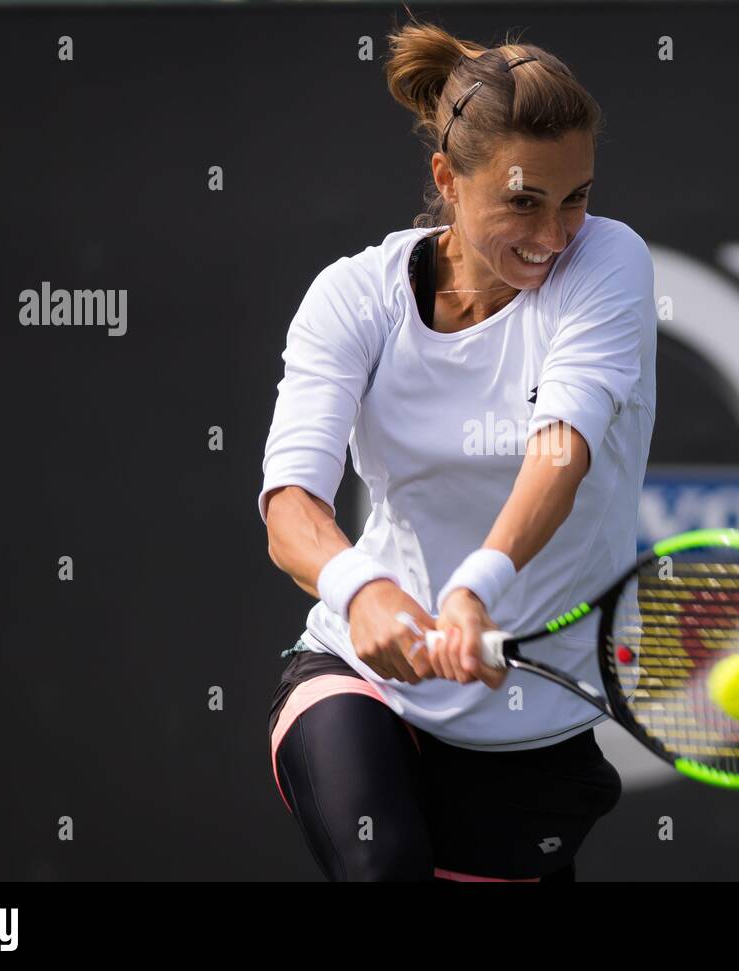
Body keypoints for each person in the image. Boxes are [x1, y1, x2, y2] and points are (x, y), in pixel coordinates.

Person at [259, 19, 657, 881]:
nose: (555, 235)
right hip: (361, 674)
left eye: (576, 197)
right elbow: (290, 506)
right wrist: (360, 592)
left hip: (534, 722)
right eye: (523, 200)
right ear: (447, 178)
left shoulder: (609, 262)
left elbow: (562, 445)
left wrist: (477, 586)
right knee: (383, 864)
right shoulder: (352, 296)